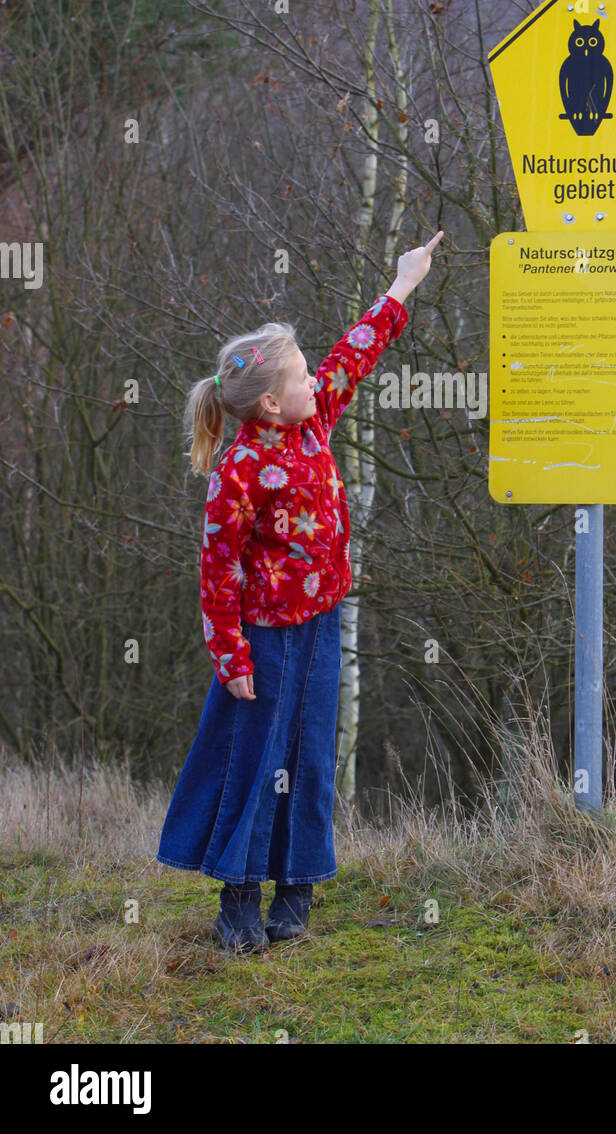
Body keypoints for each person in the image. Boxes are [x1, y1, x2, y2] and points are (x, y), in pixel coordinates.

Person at [157, 231, 445, 952]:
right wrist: (231, 657)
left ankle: (297, 887)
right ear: (269, 407)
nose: (314, 378)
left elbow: (354, 353)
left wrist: (402, 282)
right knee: (254, 765)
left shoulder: (313, 420)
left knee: (310, 758)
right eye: (298, 377)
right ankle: (238, 901)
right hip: (262, 640)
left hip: (321, 626)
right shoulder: (240, 470)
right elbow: (217, 566)